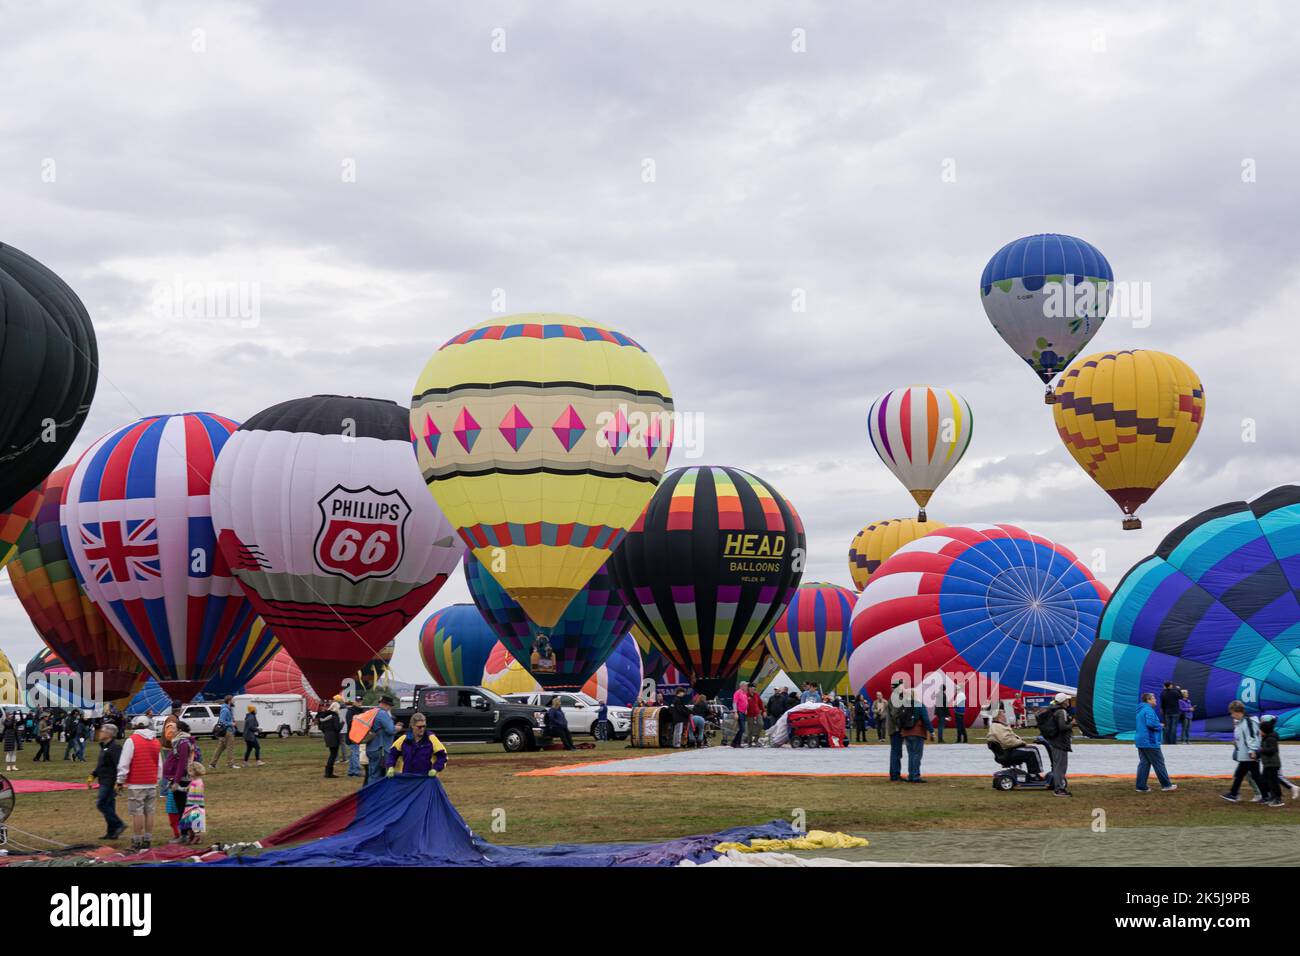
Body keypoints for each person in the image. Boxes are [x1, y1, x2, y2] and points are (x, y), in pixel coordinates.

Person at [116, 716, 162, 852]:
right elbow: (159, 764)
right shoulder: (155, 741)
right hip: (151, 782)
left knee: (137, 812)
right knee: (150, 812)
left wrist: (120, 780)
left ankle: (137, 840)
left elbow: (124, 763)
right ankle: (147, 839)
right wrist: (157, 779)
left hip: (137, 783)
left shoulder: (132, 741)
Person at [1221, 700, 1264, 803]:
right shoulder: (1241, 722)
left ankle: (1266, 795)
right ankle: (1233, 793)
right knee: (1240, 774)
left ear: (1237, 711)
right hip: (1244, 754)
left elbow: (1252, 737)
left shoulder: (1249, 721)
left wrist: (1253, 750)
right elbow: (1242, 737)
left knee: (1255, 776)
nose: (1232, 715)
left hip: (1249, 754)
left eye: (1232, 713)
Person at [162, 721, 198, 843]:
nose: (173, 730)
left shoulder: (183, 743)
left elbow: (182, 763)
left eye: (175, 728)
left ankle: (185, 835)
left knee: (182, 808)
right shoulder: (180, 742)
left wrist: (176, 781)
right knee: (182, 807)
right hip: (180, 778)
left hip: (182, 780)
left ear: (180, 729)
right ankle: (187, 833)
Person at [89, 723, 126, 840]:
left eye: (102, 731)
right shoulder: (104, 747)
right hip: (103, 780)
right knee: (109, 806)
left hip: (110, 782)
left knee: (101, 804)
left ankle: (119, 824)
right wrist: (93, 774)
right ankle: (112, 832)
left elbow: (119, 765)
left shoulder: (115, 748)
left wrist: (118, 782)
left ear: (109, 734)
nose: (100, 733)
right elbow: (101, 765)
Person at [1134, 693, 1177, 793]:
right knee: (1159, 762)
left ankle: (1141, 786)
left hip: (1141, 740)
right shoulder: (1148, 710)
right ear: (1148, 700)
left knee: (1144, 763)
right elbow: (1150, 724)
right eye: (1154, 698)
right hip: (1149, 741)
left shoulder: (1140, 710)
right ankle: (1166, 785)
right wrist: (1159, 725)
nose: (1156, 700)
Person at [386, 712, 448, 776]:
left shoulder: (431, 738)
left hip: (426, 779)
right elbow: (392, 754)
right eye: (419, 727)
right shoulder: (404, 739)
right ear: (412, 726)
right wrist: (390, 766)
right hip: (407, 778)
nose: (422, 729)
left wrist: (435, 769)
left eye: (424, 726)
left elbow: (443, 756)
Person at [1040, 693, 1074, 796]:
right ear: (1063, 701)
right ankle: (1059, 789)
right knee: (1060, 767)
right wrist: (1072, 723)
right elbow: (1062, 727)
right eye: (1067, 700)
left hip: (1055, 741)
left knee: (1058, 765)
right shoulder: (1061, 711)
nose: (1068, 702)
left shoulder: (1054, 709)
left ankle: (1059, 787)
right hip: (1060, 743)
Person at [899, 686, 933, 782]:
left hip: (906, 733)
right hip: (917, 733)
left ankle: (910, 776)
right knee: (917, 755)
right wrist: (931, 731)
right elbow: (926, 719)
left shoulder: (904, 705)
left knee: (911, 755)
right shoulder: (919, 705)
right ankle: (915, 776)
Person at [363, 695, 399, 780]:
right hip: (380, 748)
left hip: (371, 747)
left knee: (372, 773)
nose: (390, 708)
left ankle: (370, 790)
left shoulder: (372, 712)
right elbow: (391, 730)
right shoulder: (382, 714)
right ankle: (374, 792)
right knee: (377, 775)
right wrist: (398, 728)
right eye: (390, 706)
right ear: (387, 705)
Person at [180, 762, 206, 844]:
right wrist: (178, 788)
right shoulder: (193, 781)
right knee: (189, 822)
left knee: (196, 822)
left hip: (195, 806)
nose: (189, 773)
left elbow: (198, 797)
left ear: (196, 771)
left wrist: (195, 807)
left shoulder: (198, 782)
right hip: (190, 805)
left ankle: (197, 837)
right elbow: (187, 789)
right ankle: (191, 836)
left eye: (190, 771)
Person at [209, 695, 236, 771]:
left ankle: (212, 764)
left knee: (220, 749)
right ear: (229, 701)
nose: (234, 702)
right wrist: (231, 724)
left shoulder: (227, 709)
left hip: (225, 732)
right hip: (227, 731)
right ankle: (230, 764)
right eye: (233, 700)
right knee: (230, 747)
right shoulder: (225, 710)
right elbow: (222, 721)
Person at [319, 697, 343, 777]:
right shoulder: (335, 717)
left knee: (332, 754)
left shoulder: (325, 716)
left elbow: (321, 727)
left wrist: (326, 732)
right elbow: (337, 728)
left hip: (327, 736)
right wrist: (342, 723)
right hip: (334, 737)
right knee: (333, 755)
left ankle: (328, 772)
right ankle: (329, 773)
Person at [730, 682, 749, 748]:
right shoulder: (738, 692)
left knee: (742, 728)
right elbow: (734, 702)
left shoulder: (745, 693)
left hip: (743, 712)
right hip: (739, 712)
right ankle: (736, 743)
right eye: (746, 686)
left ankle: (735, 743)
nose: (747, 687)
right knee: (742, 728)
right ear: (742, 686)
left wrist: (746, 709)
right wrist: (735, 712)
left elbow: (746, 702)